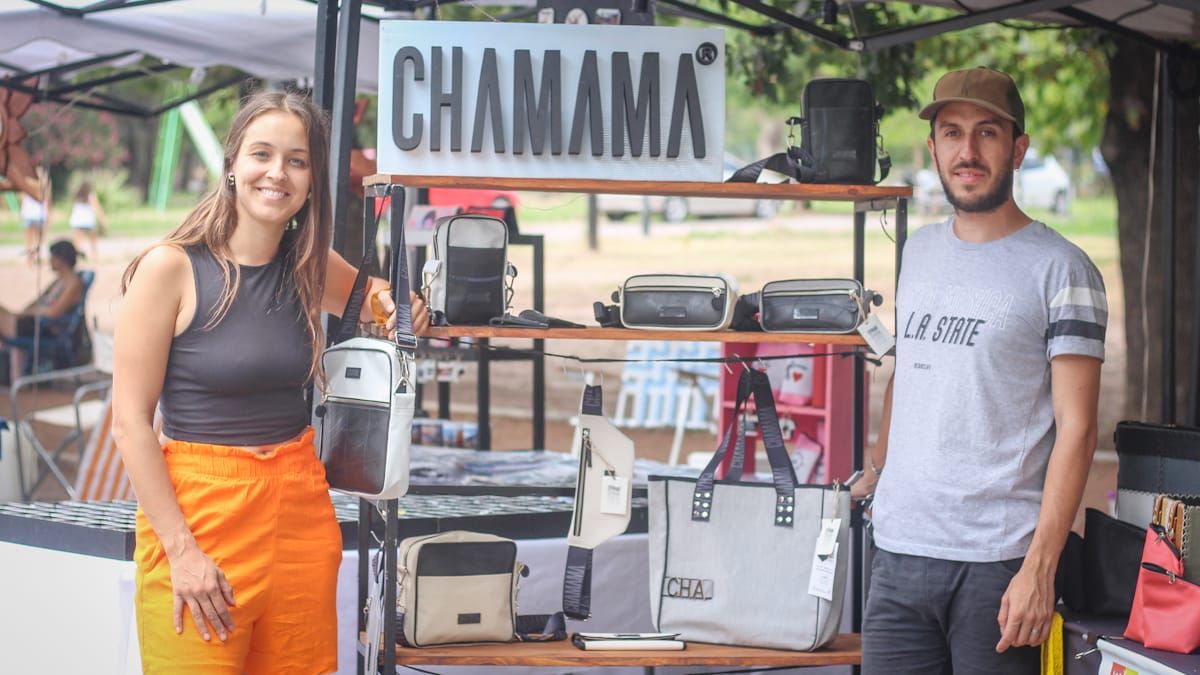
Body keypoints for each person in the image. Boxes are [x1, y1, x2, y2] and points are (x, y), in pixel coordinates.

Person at [112, 91, 430, 674]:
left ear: (311, 181)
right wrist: (181, 552)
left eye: (297, 160)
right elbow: (130, 423)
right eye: (262, 154)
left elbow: (381, 301)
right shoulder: (171, 267)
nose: (276, 173)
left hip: (299, 511)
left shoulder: (308, 264)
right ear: (232, 163)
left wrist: (399, 304)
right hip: (200, 512)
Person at [855, 67, 1106, 673]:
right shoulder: (917, 252)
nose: (967, 151)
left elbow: (1077, 428)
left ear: (1018, 147)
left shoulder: (1062, 270)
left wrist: (1039, 568)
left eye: (987, 133)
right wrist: (879, 471)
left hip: (998, 564)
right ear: (934, 147)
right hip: (896, 552)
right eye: (951, 133)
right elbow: (909, 374)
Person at [0, 239, 85, 378]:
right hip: (32, 322)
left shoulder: (73, 283)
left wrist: (29, 312)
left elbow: (54, 312)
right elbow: (38, 301)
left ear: (61, 260)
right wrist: (22, 312)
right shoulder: (60, 280)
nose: (50, 261)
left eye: (52, 258)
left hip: (43, 327)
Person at [68, 180, 106, 261]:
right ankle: (94, 257)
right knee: (93, 241)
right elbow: (97, 209)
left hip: (77, 221)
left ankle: (75, 258)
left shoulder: (77, 196)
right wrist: (102, 220)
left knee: (77, 242)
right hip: (88, 221)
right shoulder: (91, 196)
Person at [19, 169, 51, 264]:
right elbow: (48, 203)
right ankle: (36, 258)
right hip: (40, 215)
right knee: (38, 240)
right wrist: (49, 216)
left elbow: (22, 199)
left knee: (28, 240)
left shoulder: (26, 187)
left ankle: (29, 259)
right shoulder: (45, 188)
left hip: (28, 215)